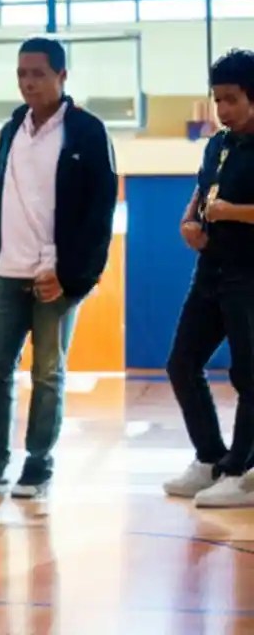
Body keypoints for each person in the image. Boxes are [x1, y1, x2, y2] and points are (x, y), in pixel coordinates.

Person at [0, 37, 117, 499]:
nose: (28, 82)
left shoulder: (88, 132)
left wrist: (71, 274)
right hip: (6, 271)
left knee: (47, 374)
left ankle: (39, 463)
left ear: (62, 76)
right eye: (21, 74)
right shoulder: (11, 130)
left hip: (56, 278)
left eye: (38, 73)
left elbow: (99, 213)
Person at [163, 48, 254, 508]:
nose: (223, 109)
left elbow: (226, 205)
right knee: (181, 363)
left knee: (248, 374)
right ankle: (212, 458)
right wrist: (189, 221)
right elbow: (203, 190)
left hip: (249, 273)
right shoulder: (219, 144)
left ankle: (243, 471)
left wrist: (233, 213)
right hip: (211, 269)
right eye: (217, 100)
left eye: (232, 99)